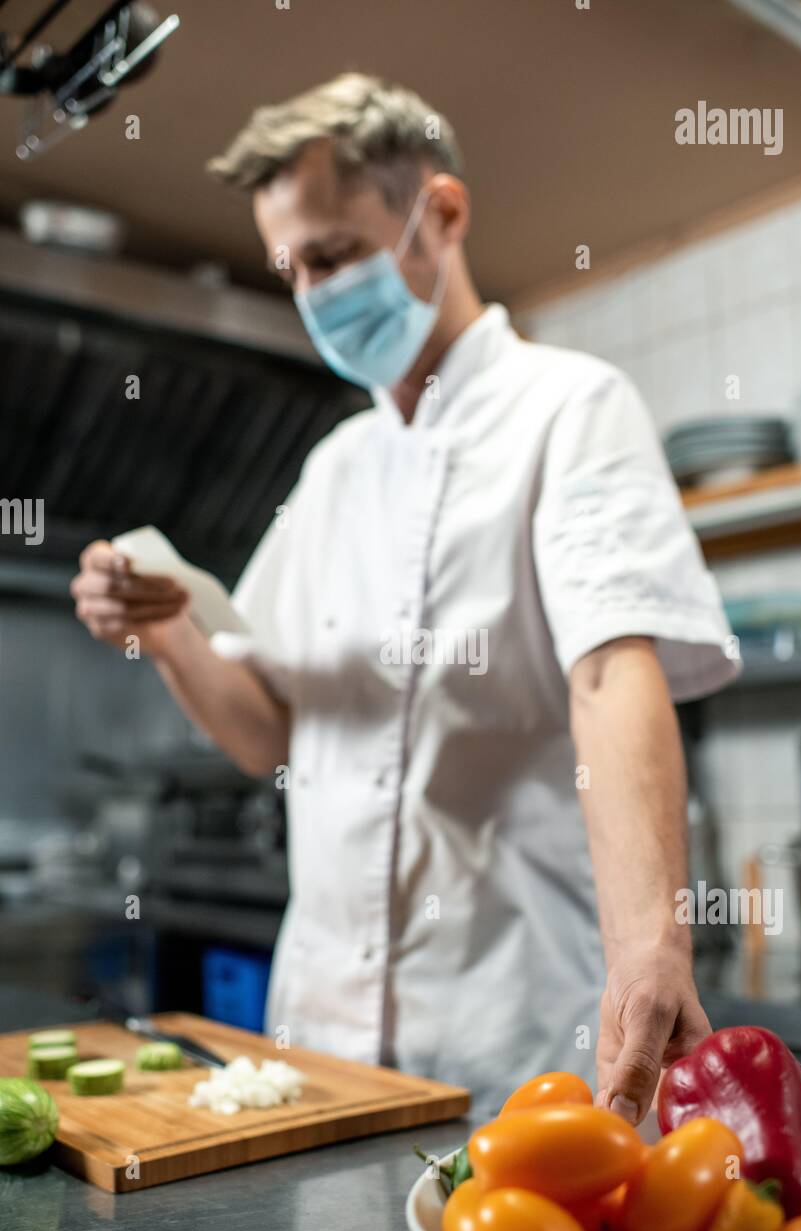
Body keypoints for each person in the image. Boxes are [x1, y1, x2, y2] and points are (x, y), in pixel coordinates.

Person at [71, 73, 738, 1118]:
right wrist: (168, 636)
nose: (315, 292)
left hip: (512, 1029)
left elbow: (611, 669)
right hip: (320, 1046)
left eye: (334, 255)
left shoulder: (570, 408)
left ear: (442, 213)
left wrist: (652, 943)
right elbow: (271, 736)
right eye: (292, 269)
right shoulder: (334, 468)